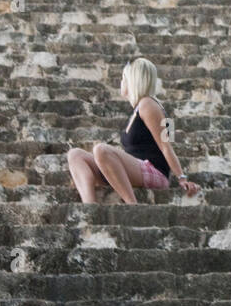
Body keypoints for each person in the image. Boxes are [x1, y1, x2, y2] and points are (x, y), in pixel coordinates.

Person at [66, 58, 201, 204]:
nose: (121, 83)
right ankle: (89, 207)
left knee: (101, 150)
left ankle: (132, 204)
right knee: (75, 155)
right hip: (133, 171)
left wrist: (182, 178)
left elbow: (166, 145)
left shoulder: (148, 104)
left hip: (154, 172)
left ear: (133, 80)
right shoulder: (138, 109)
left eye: (124, 78)